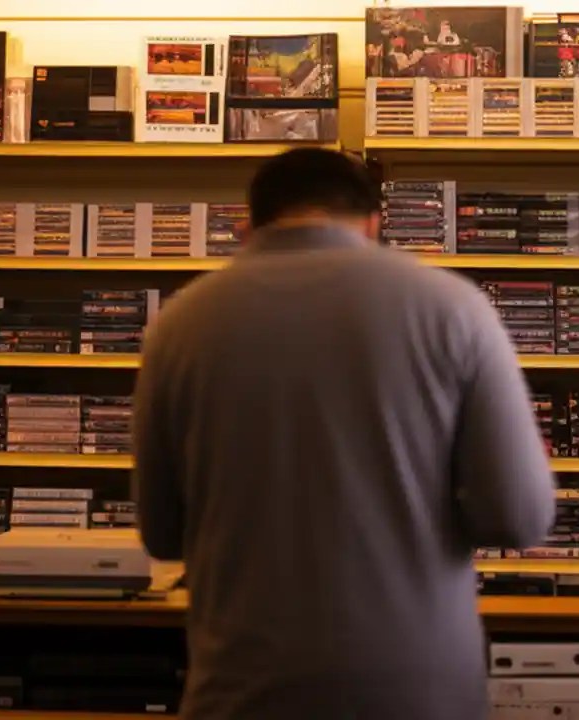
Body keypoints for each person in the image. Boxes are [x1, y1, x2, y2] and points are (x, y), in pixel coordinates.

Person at [134, 148, 555, 720]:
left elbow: (162, 536)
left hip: (243, 690)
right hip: (417, 692)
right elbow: (517, 517)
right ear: (373, 223)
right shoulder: (453, 308)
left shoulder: (179, 324)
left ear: (248, 224)